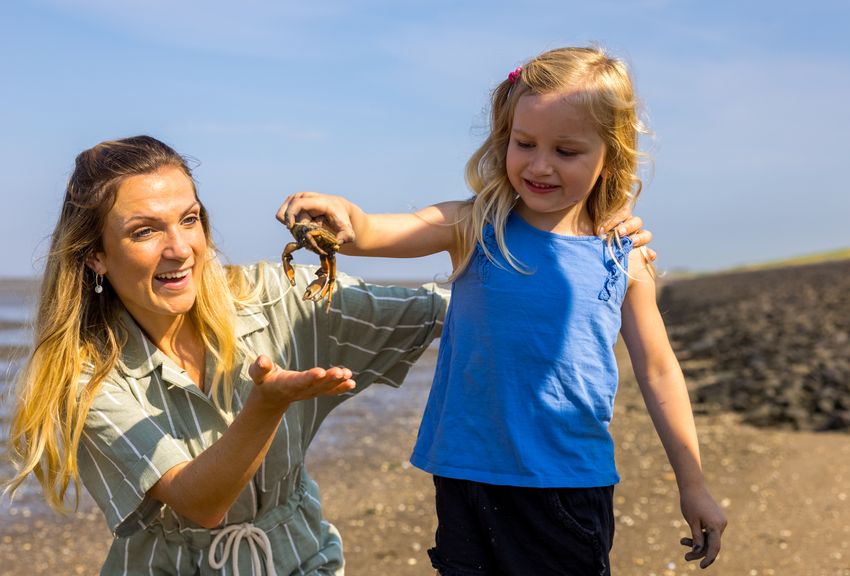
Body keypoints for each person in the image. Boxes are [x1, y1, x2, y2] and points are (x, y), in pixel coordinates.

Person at [276, 46, 726, 575]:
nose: (540, 165)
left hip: (566, 486)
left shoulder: (624, 257)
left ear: (610, 153)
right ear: (503, 137)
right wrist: (342, 218)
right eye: (524, 143)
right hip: (466, 478)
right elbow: (378, 230)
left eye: (566, 150)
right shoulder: (476, 226)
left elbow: (657, 369)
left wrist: (692, 485)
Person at [5, 135, 451, 575]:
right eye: (144, 231)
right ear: (96, 255)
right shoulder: (86, 377)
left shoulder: (277, 298)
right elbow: (201, 502)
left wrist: (378, 227)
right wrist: (267, 405)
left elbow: (445, 311)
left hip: (303, 561)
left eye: (189, 219)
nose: (179, 249)